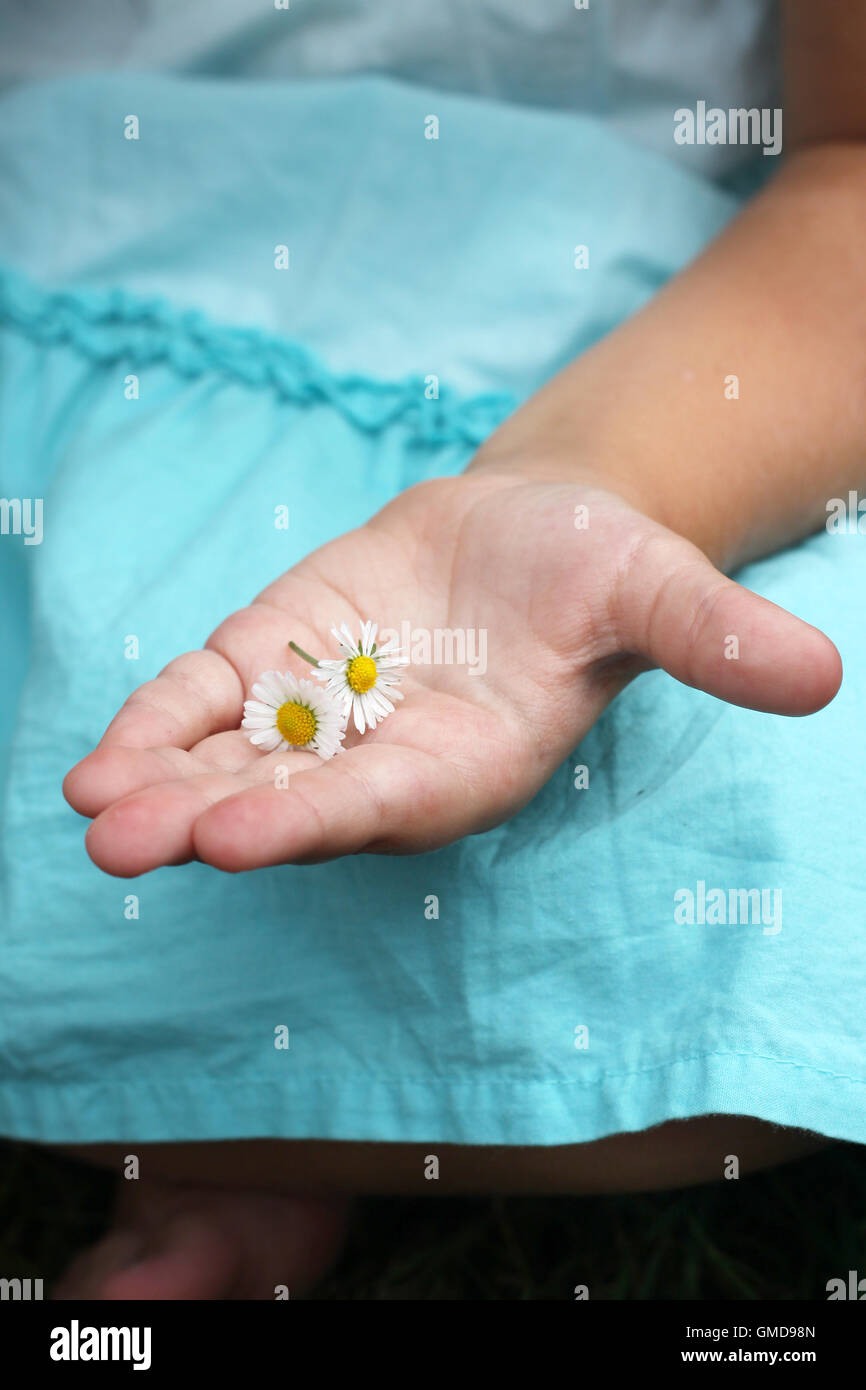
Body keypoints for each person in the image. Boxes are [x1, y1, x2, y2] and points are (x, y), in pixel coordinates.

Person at [0, 1, 863, 1299]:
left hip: (661, 369)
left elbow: (849, 167)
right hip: (82, 284)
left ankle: (207, 1101)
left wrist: (585, 483)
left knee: (786, 928)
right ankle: (261, 1113)